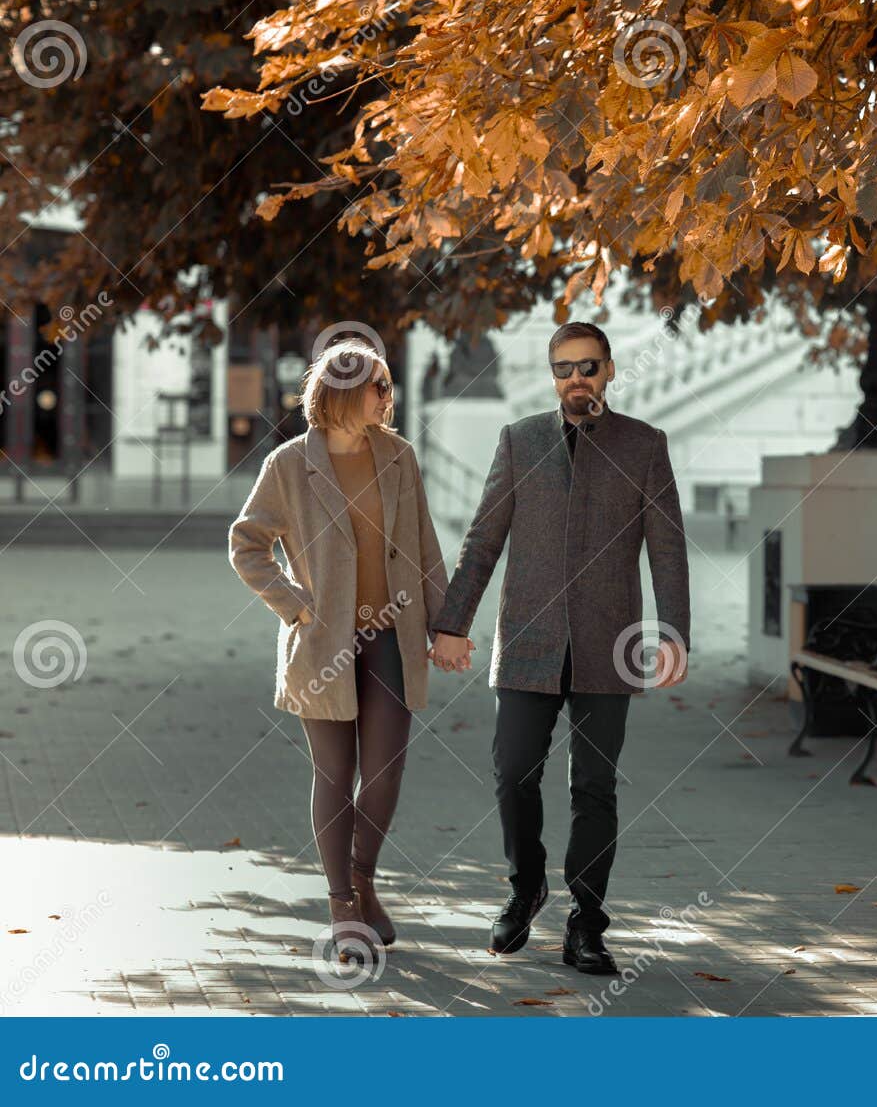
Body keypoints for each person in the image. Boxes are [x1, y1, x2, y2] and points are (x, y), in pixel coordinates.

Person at [431, 321, 690, 975]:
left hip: (611, 640)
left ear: (608, 370)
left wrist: (674, 631)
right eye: (564, 367)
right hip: (527, 638)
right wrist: (451, 622)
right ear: (553, 375)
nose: (577, 378)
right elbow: (483, 539)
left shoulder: (645, 445)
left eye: (589, 366)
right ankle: (525, 886)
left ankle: (587, 922)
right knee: (513, 768)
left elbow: (667, 545)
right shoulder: (520, 441)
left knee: (594, 787)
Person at [228, 339, 447, 959]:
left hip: (393, 638)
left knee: (384, 770)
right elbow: (247, 544)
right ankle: (342, 908)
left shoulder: (399, 457)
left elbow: (426, 547)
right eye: (380, 385)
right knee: (334, 773)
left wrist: (446, 624)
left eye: (388, 385)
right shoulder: (289, 465)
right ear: (348, 392)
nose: (389, 396)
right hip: (323, 641)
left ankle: (363, 876)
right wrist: (295, 605)